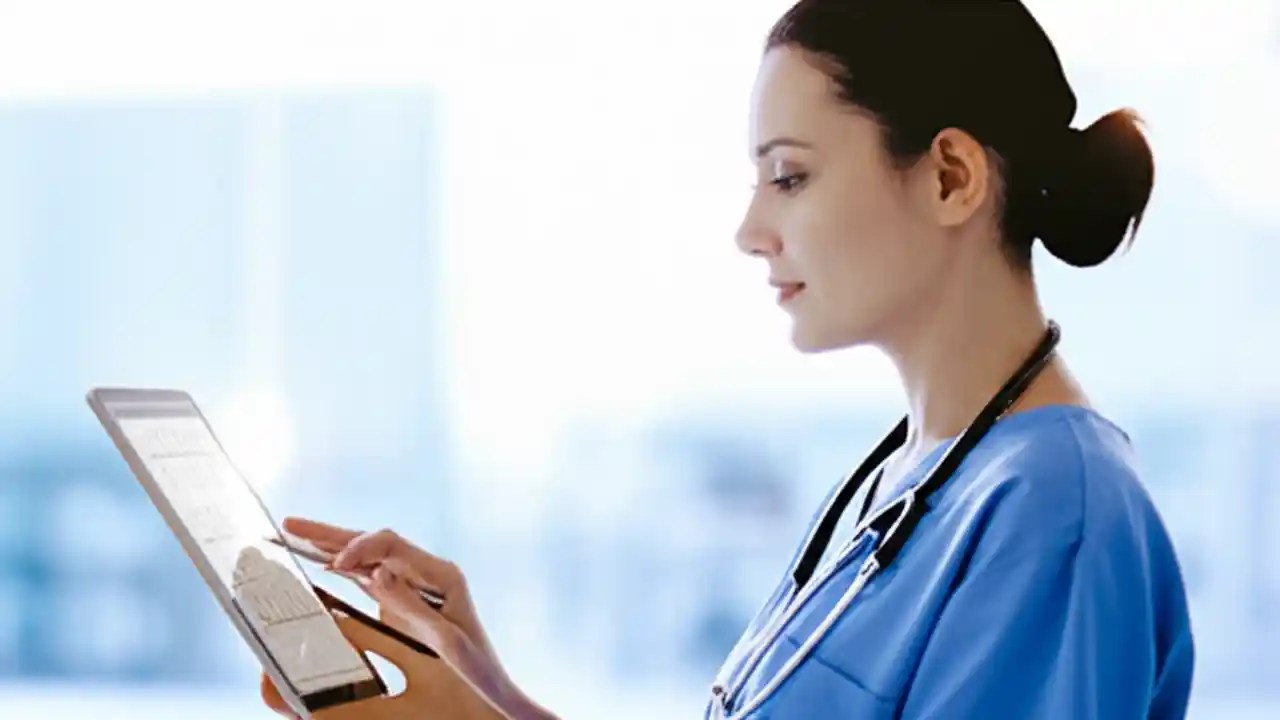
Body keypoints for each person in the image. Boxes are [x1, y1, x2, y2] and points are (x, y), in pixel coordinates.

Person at [264, 1, 1195, 717]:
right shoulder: (908, 480)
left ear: (950, 177)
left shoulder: (1058, 515)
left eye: (790, 177)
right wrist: (488, 688)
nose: (751, 231)